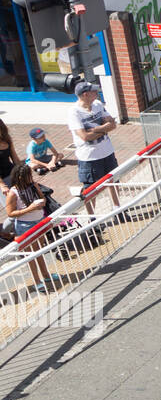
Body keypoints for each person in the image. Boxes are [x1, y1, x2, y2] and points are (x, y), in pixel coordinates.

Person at [5, 163, 55, 292]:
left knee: (39, 251)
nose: (30, 178)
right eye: (28, 176)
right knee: (31, 256)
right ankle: (37, 281)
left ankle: (46, 275)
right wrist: (30, 209)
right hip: (25, 226)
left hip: (39, 221)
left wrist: (42, 202)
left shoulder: (34, 185)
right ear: (20, 177)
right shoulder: (13, 193)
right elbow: (10, 213)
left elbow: (42, 197)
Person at [67, 80, 118, 192]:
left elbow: (113, 124)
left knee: (113, 180)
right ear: (85, 95)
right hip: (89, 157)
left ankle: (117, 206)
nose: (96, 93)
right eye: (94, 91)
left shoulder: (98, 105)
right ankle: (91, 210)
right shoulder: (74, 112)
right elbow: (85, 137)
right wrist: (105, 129)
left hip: (107, 152)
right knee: (90, 189)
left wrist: (97, 129)